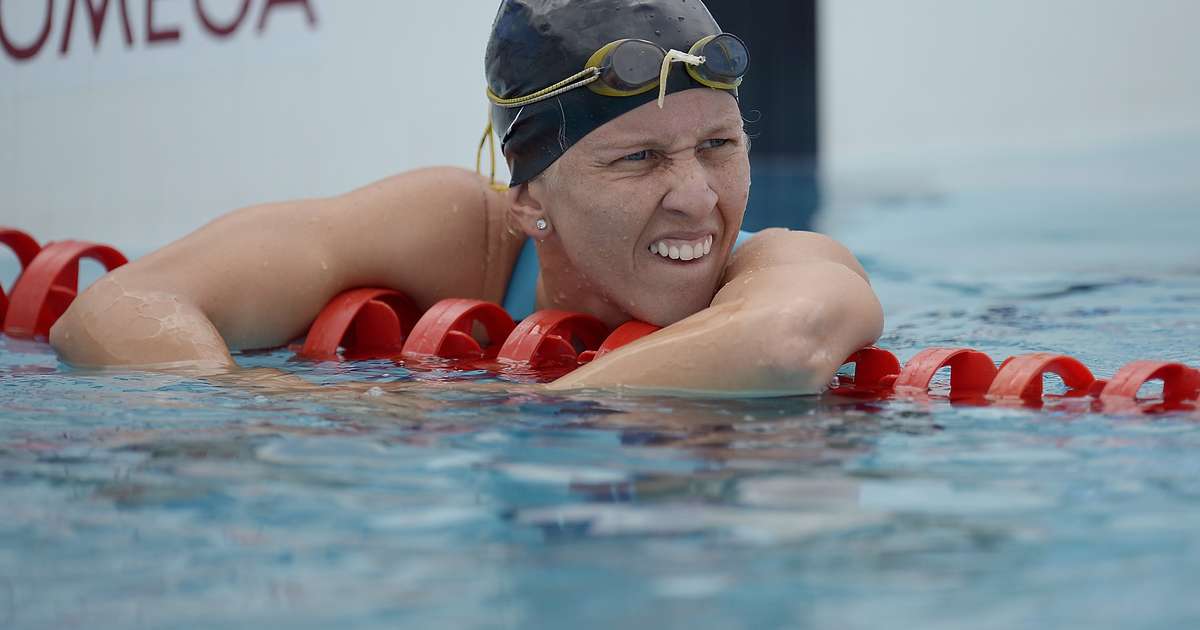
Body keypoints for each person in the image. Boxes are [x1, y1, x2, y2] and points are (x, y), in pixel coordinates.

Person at [49, 0, 883, 395]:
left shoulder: (777, 264)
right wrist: (255, 404)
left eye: (719, 146)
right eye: (639, 160)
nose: (698, 198)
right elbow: (117, 307)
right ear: (528, 198)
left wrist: (516, 406)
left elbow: (783, 343)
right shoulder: (461, 237)